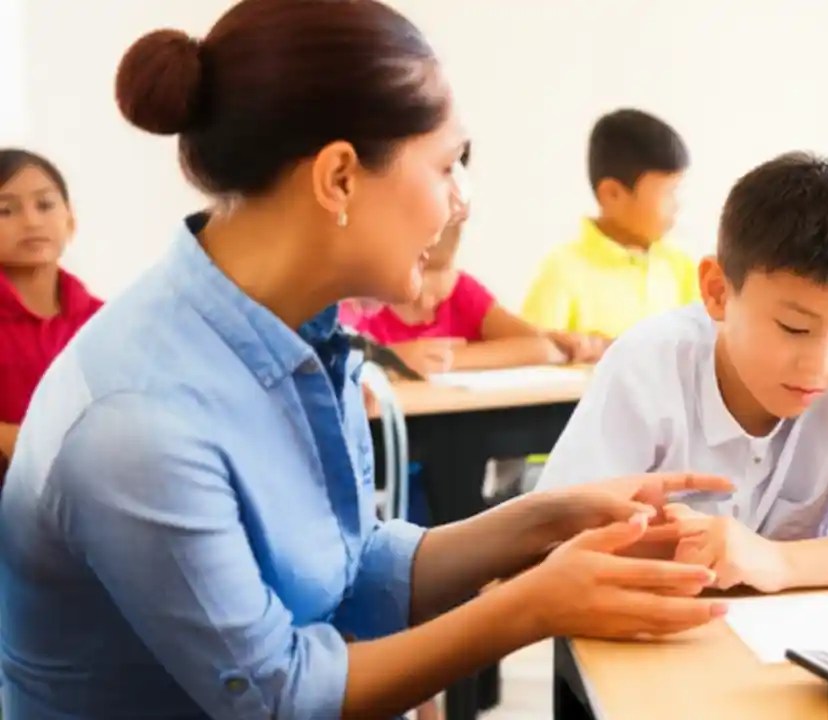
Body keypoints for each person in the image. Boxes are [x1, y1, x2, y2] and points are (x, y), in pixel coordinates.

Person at [0, 2, 732, 718]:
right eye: (448, 166)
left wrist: (544, 521)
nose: (461, 204)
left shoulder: (300, 333)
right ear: (340, 178)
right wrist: (532, 603)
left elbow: (352, 566)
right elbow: (280, 696)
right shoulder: (136, 426)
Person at [537, 153, 828, 593]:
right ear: (718, 291)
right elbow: (550, 540)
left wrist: (779, 561)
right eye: (794, 328)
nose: (820, 366)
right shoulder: (648, 366)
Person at [341, 143, 604, 375]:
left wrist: (445, 359)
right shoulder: (359, 296)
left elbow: (543, 348)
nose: (458, 210)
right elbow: (337, 357)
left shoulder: (461, 292)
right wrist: (391, 359)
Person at [522, 108, 699, 339]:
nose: (677, 205)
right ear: (612, 194)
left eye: (677, 191)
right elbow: (534, 358)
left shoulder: (681, 268)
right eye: (668, 193)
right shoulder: (563, 272)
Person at [0, 150, 102, 465]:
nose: (31, 221)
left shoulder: (105, 322)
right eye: (5, 210)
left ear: (70, 220)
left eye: (45, 205)